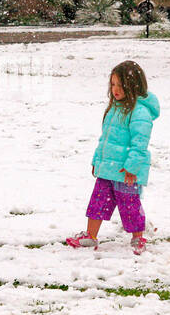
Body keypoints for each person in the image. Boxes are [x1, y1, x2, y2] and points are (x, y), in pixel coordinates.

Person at [66, 60, 160, 254]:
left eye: (120, 85)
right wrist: (97, 161)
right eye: (113, 84)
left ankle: (138, 238)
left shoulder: (140, 112)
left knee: (130, 206)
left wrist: (132, 167)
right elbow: (105, 140)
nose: (115, 90)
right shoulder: (115, 108)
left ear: (133, 86)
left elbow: (140, 143)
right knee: (97, 202)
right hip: (108, 168)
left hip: (126, 171)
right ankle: (90, 236)